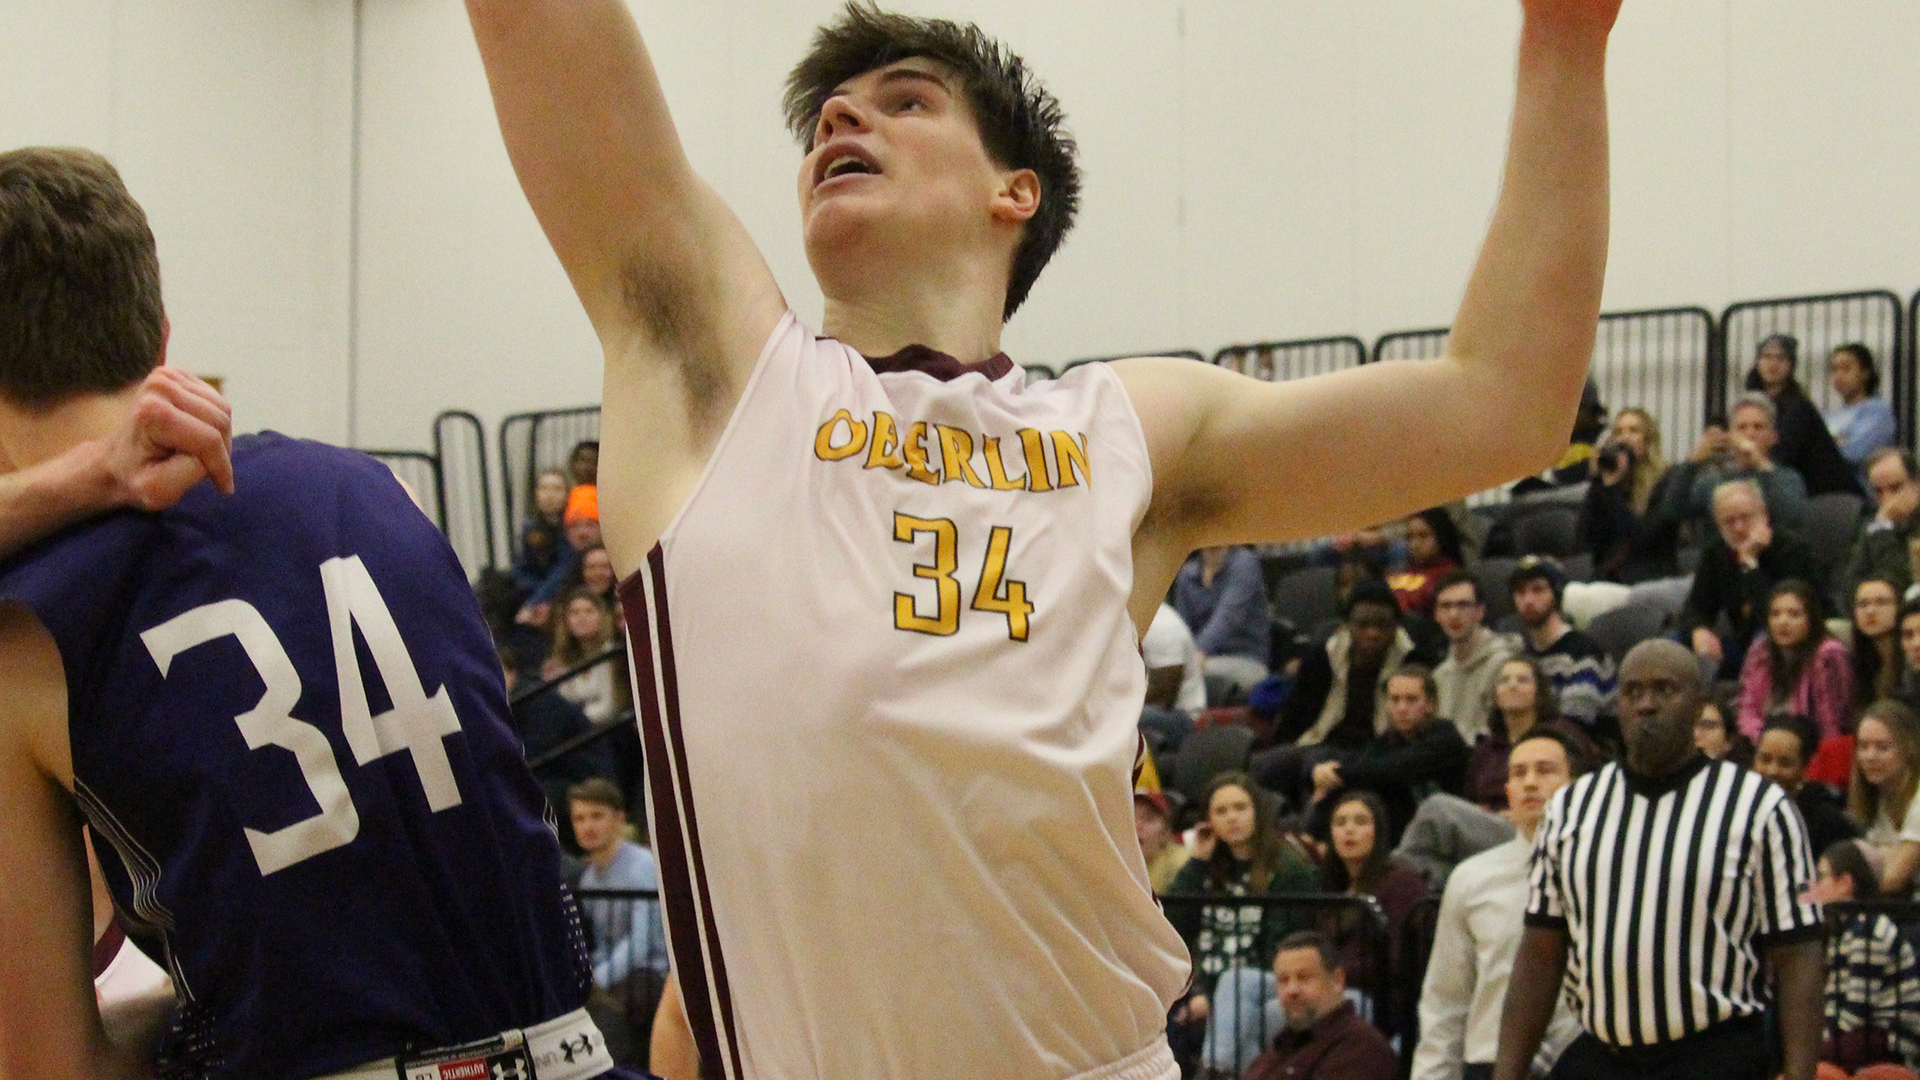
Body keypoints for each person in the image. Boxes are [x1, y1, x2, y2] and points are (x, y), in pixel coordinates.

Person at [463, 0, 1618, 1074]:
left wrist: (1564, 44)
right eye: (829, 114)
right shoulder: (721, 372)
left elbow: (1503, 404)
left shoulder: (1126, 430)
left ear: (1014, 191)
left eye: (906, 99)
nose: (844, 118)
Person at [0, 148, 634, 1080]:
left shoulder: (25, 631)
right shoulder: (373, 488)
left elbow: (46, 1063)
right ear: (162, 337)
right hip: (573, 1051)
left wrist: (187, 1023)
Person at [1495, 639, 1825, 1080]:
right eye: (1632, 692)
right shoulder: (1571, 807)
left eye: (1664, 690)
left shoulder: (1760, 806)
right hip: (1604, 1056)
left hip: (1714, 1056)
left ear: (1699, 706)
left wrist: (1801, 1074)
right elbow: (1540, 952)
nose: (1646, 704)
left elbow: (1799, 952)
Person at [1412, 730, 1588, 1080]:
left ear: (1579, 787)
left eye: (1545, 770)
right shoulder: (1471, 878)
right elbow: (1446, 1000)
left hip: (1587, 1063)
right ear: (1508, 792)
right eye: (1519, 773)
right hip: (1493, 1063)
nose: (1530, 783)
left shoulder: (1610, 872)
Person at [1166, 773, 1318, 1078]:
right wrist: (1196, 863)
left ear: (1257, 812)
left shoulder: (1287, 868)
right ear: (1208, 821)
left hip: (1264, 984)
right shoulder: (1205, 866)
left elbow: (1281, 948)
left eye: (1240, 808)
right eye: (1221, 811)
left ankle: (1211, 1073)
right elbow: (1171, 929)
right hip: (1202, 989)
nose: (1232, 817)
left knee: (1238, 1001)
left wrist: (1214, 999)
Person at [1307, 664, 1469, 843]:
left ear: (1431, 705)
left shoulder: (1445, 736)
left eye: (1411, 700)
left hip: (1444, 835)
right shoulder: (1388, 739)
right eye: (1395, 700)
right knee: (1336, 785)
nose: (1402, 708)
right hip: (1401, 831)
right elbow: (1364, 766)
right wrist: (1321, 774)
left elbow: (1395, 769)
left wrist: (1335, 773)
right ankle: (1311, 841)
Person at [1682, 478, 1823, 679]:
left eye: (1745, 518)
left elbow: (1771, 616)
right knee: (1676, 642)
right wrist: (1698, 630)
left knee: (1763, 639)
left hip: (1789, 642)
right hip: (1741, 645)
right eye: (1729, 521)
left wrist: (1750, 564)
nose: (1739, 528)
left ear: (1764, 515)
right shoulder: (1716, 553)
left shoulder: (1792, 550)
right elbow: (1695, 607)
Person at [1801, 838, 1920, 1073]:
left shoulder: (1868, 929)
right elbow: (1834, 1007)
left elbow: (1855, 1015)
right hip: (1863, 1035)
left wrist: (1816, 1046)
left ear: (1845, 883)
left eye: (1821, 876)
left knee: (1807, 1056)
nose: (1813, 886)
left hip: (1891, 1040)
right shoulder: (1842, 930)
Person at [1318, 789, 1429, 1008]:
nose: (1349, 830)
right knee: (1248, 982)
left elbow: (1399, 959)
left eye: (1360, 822)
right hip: (1329, 986)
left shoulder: (1402, 882)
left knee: (1275, 1010)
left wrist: (1331, 973)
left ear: (1378, 832)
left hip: (1377, 1000)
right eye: (1340, 823)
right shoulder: (1331, 887)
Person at [1241, 932, 1398, 1080]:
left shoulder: (1361, 1048)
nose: (1292, 990)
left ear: (1337, 980)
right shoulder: (1277, 1051)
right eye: (1283, 980)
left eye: (1304, 978)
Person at [570, 780, 670, 1006]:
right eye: (579, 819)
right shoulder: (588, 879)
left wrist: (597, 980)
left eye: (597, 816)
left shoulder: (642, 866)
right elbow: (602, 944)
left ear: (619, 818)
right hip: (616, 973)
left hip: (653, 973)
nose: (588, 827)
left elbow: (641, 942)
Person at [1660, 395, 1812, 534]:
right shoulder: (1713, 481)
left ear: (1773, 437)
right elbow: (1671, 512)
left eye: (1758, 427)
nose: (1750, 434)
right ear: (1730, 435)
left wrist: (1761, 464)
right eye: (1741, 427)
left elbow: (1793, 518)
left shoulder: (1787, 478)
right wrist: (1691, 463)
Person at [1745, 334, 1863, 497]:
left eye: (1781, 358)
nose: (1773, 364)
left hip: (1825, 496)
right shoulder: (1750, 403)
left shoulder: (1799, 408)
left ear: (1791, 365)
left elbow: (1781, 459)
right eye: (1767, 357)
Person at [1736, 579, 1852, 744]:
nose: (1783, 622)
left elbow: (1832, 724)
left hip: (1813, 747)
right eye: (1775, 614)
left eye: (1794, 614)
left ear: (1810, 619)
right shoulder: (1761, 650)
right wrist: (1765, 740)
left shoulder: (1828, 654)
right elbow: (1747, 709)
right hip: (1764, 743)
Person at [1581, 405, 1683, 583]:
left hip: (1650, 575)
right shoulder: (1608, 481)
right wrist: (1597, 481)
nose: (1625, 438)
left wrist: (1612, 489)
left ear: (1648, 439)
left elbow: (1643, 540)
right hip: (1607, 576)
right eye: (1619, 432)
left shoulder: (1667, 480)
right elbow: (1585, 537)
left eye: (1634, 431)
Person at [1510, 557, 1616, 729]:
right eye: (1520, 592)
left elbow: (1573, 725)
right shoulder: (1522, 656)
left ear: (1556, 594)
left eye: (1538, 590)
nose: (1528, 600)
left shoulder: (1583, 652)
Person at [1754, 712, 1862, 859]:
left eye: (1785, 763)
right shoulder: (1740, 807)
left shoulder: (1827, 823)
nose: (1772, 771)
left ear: (1805, 766)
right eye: (1765, 759)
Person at [1432, 571, 1521, 744]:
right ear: (1437, 615)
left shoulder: (1505, 663)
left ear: (1480, 611)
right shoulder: (1439, 676)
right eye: (1446, 606)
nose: (1453, 614)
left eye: (1463, 605)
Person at [1174, 545, 1273, 694]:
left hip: (1245, 658)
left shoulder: (1244, 564)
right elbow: (1182, 628)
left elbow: (1228, 618)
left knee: (1186, 679)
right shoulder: (1187, 574)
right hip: (1199, 659)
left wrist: (1196, 655)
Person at [1850, 699, 1920, 897]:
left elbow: (1891, 880)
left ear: (1909, 750)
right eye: (1863, 746)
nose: (1870, 756)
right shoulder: (1879, 798)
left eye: (1882, 747)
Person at [543, 587, 628, 725]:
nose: (581, 618)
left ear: (602, 616)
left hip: (610, 729)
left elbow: (609, 708)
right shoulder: (561, 658)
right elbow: (562, 705)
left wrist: (575, 721)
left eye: (589, 611)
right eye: (574, 613)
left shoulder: (610, 652)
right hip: (579, 728)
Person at [1846, 449, 1920, 602]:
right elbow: (1851, 587)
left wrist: (1883, 531)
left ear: (1916, 485)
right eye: (1878, 491)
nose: (1887, 499)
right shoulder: (1872, 524)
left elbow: (1899, 584)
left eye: (1895, 488)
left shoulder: (1880, 527)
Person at [1826, 344, 1899, 490]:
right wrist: (1838, 440)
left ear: (1865, 373)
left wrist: (1826, 443)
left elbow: (1855, 452)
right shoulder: (1828, 416)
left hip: (1862, 493)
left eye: (1846, 368)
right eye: (1834, 369)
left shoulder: (1877, 412)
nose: (1839, 375)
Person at [1140, 602, 1206, 752]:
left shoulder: (1162, 625)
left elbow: (1162, 698)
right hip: (1142, 707)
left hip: (1181, 717)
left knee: (1117, 719)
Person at [1389, 508, 1466, 620]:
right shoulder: (1404, 572)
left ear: (1441, 537)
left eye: (1423, 536)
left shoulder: (1452, 576)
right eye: (1410, 537)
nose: (1415, 544)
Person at [513, 467, 574, 599]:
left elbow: (565, 568)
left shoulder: (573, 526)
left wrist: (537, 601)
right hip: (534, 591)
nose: (549, 495)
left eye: (557, 489)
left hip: (568, 592)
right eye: (543, 488)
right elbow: (521, 568)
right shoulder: (530, 527)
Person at [1855, 578, 1904, 711]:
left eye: (1881, 602)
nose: (1870, 611)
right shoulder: (1857, 662)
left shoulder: (1911, 659)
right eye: (1862, 605)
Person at [1134, 790, 1189, 895]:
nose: (1137, 826)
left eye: (1148, 819)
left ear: (1165, 832)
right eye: (1129, 818)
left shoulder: (1182, 866)